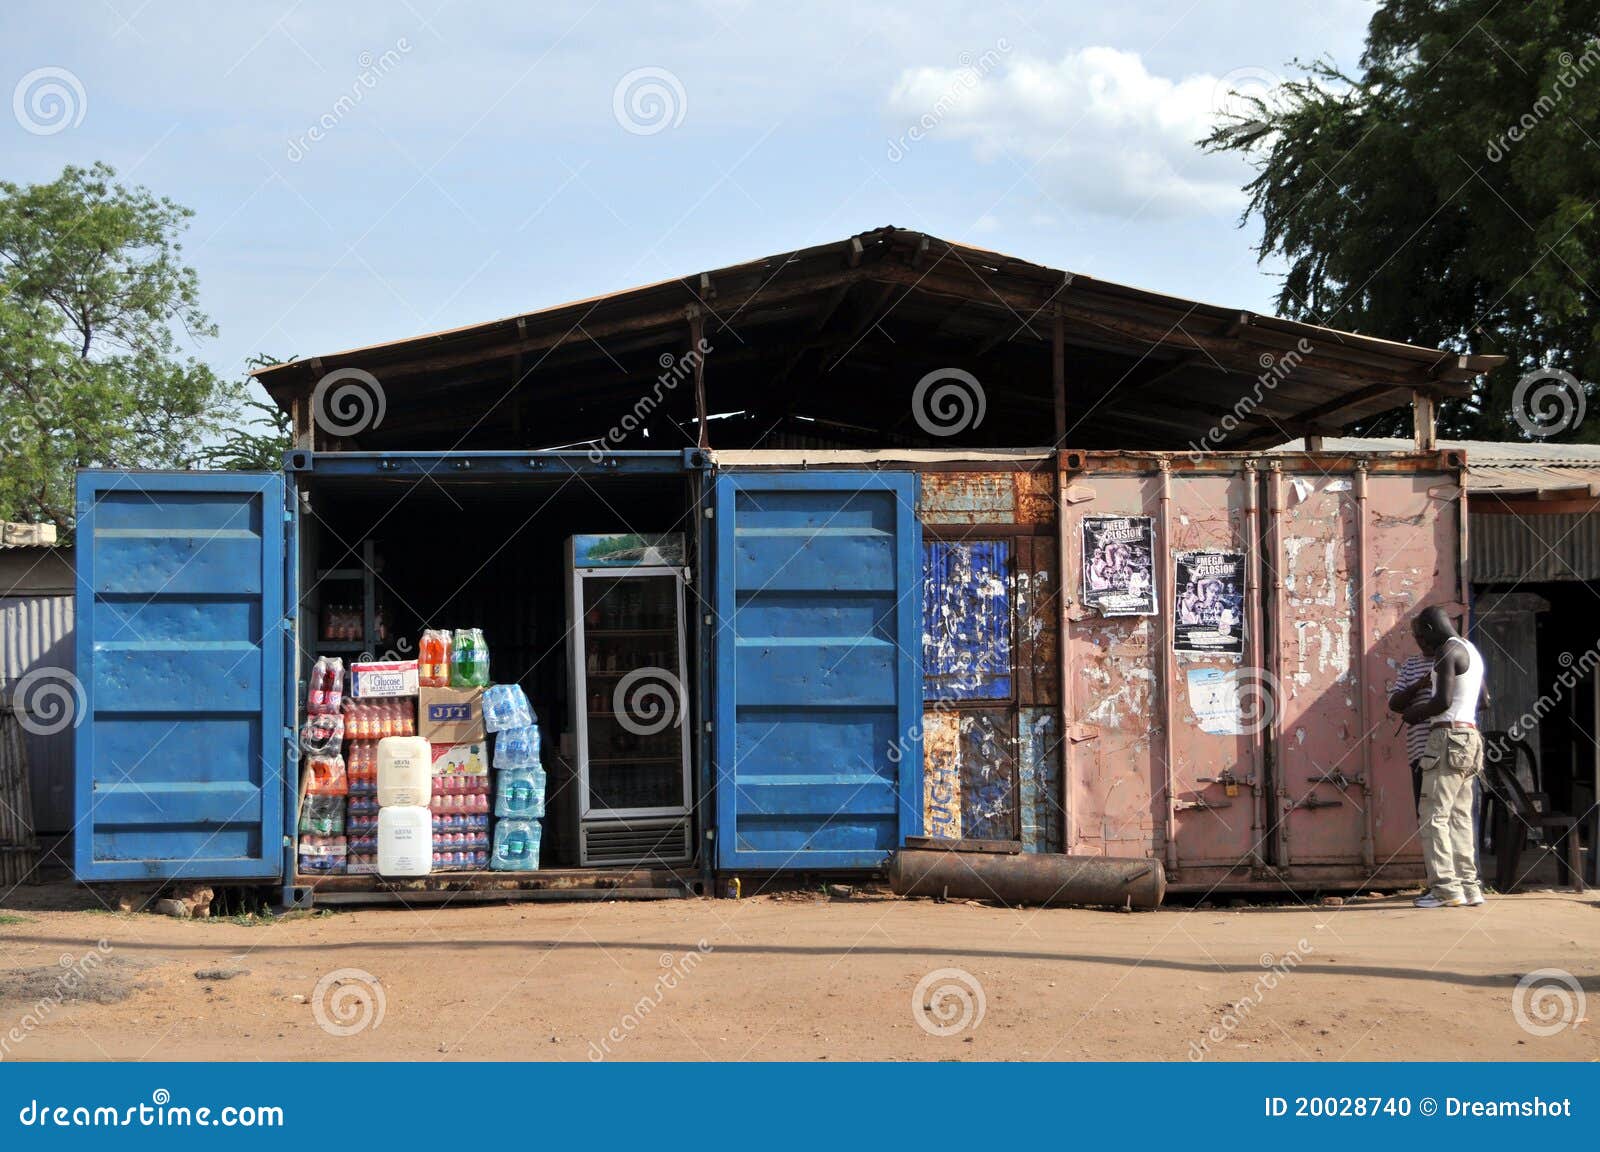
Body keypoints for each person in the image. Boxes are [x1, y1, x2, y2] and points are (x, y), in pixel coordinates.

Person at [1400, 606, 1491, 908]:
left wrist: (1415, 713)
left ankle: (1445, 889)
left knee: (1433, 815)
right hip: (1470, 737)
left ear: (1429, 628)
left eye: (1420, 635)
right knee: (1460, 817)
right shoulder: (1471, 651)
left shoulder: (1446, 651)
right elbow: (1485, 700)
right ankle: (1469, 888)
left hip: (1447, 736)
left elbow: (1442, 701)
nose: (1421, 642)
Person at [1387, 652, 1434, 812]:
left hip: (1445, 748)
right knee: (1424, 812)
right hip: (1419, 750)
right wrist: (1418, 685)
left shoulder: (1449, 658)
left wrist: (1419, 712)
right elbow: (1394, 703)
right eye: (1419, 639)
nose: (1424, 643)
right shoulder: (1411, 664)